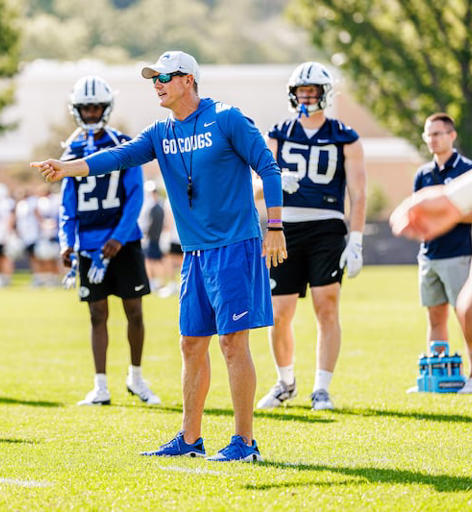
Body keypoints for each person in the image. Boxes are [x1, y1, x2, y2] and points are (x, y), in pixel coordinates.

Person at [34, 51, 285, 462]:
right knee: (190, 345)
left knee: (233, 344)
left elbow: (269, 169)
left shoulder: (227, 117)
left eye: (165, 77)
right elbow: (117, 157)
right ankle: (190, 439)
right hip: (196, 255)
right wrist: (66, 167)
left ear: (189, 80)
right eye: (153, 78)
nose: (157, 83)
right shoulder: (160, 131)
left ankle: (245, 442)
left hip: (235, 247)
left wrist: (274, 228)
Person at [256, 62, 366, 412]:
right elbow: (254, 189)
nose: (306, 96)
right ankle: (285, 381)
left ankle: (322, 388)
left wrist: (357, 239)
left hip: (326, 226)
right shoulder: (278, 133)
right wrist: (273, 183)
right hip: (284, 227)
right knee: (279, 310)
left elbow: (359, 194)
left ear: (325, 93)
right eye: (301, 91)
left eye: (312, 91)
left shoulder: (344, 135)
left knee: (326, 305)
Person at [58, 75, 160, 406]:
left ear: (106, 107)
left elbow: (134, 197)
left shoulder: (123, 144)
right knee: (96, 314)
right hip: (89, 246)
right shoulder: (70, 150)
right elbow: (67, 206)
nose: (90, 113)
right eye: (85, 108)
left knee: (134, 311)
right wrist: (66, 241)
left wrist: (119, 236)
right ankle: (100, 386)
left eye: (95, 107)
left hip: (124, 243)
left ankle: (136, 377)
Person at [391, 159, 472, 383]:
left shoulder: (464, 165)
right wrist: (451, 200)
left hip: (459, 254)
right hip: (435, 255)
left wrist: (452, 202)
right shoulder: (424, 172)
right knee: (467, 312)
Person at [409, 113, 472, 392]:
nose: (433, 139)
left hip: (459, 255)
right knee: (435, 317)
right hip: (429, 255)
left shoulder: (468, 169)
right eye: (429, 134)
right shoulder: (423, 173)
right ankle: (439, 376)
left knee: (467, 315)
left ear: (451, 136)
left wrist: (446, 212)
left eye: (438, 133)